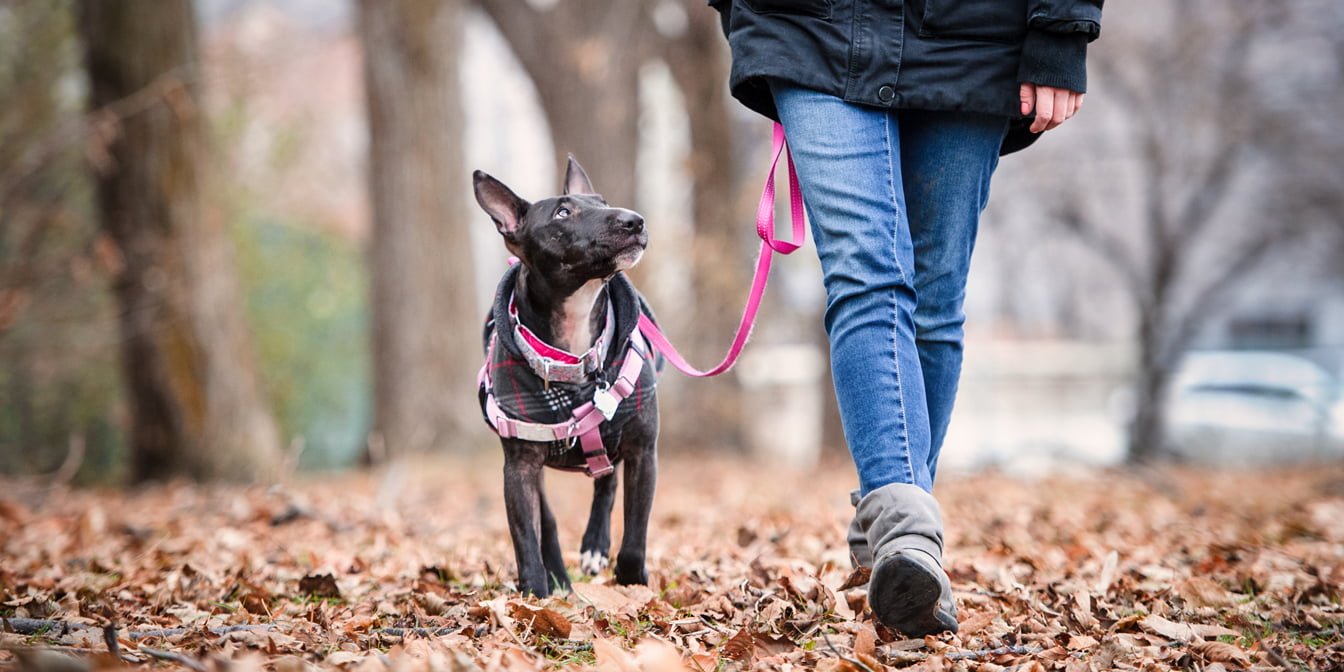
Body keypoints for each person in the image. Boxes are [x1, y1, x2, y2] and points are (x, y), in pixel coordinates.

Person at [708, 0, 1103, 636]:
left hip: (972, 34)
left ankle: (894, 541)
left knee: (935, 298)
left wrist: (1061, 29)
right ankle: (908, 537)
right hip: (808, 24)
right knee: (865, 273)